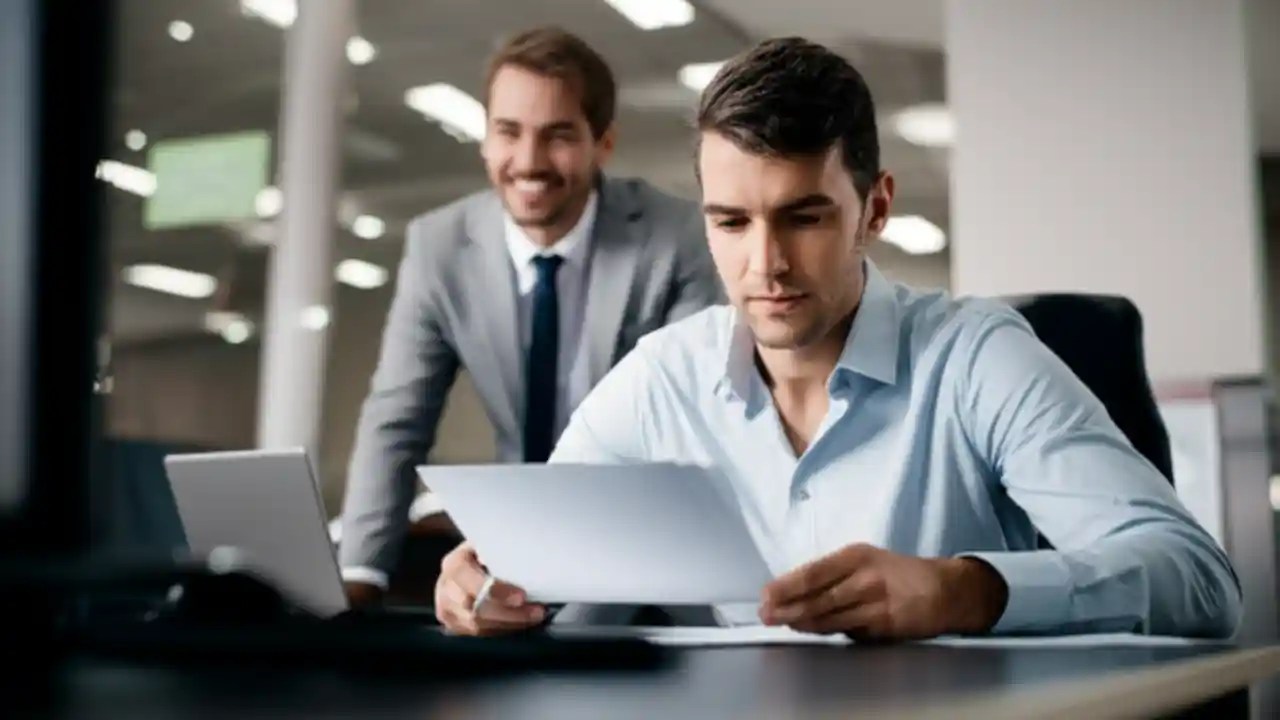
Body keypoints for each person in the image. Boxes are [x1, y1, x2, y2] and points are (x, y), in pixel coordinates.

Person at [432, 37, 1242, 640]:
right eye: (731, 222)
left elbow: (1201, 582)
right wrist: (487, 581)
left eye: (804, 217)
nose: (766, 265)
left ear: (875, 208)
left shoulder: (977, 357)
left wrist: (970, 590)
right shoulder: (662, 378)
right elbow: (529, 557)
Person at [338, 27, 721, 606]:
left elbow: (689, 428)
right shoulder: (438, 247)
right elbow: (397, 420)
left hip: (642, 539)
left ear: (604, 144)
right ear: (485, 139)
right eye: (508, 132)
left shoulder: (677, 239)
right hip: (511, 544)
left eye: (559, 135)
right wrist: (361, 577)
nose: (529, 162)